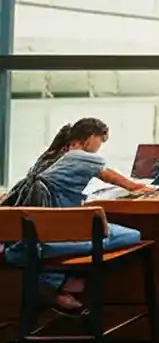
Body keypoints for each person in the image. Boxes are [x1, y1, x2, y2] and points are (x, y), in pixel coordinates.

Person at [2, 118, 146, 313]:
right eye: (100, 141)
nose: (100, 146)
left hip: (31, 237)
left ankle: (58, 281)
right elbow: (108, 175)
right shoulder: (79, 156)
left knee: (78, 236)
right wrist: (140, 187)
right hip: (48, 240)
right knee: (131, 235)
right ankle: (56, 283)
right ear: (90, 137)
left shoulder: (49, 157)